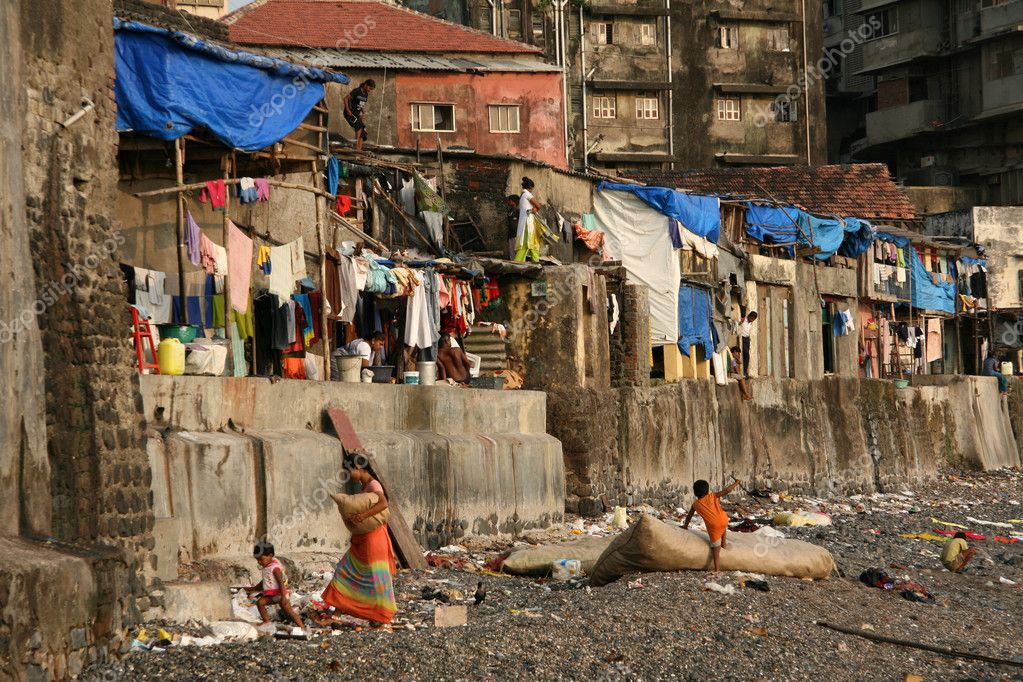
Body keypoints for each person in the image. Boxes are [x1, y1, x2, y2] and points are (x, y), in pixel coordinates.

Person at [319, 458, 397, 625]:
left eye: (349, 471)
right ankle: (337, 614)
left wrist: (363, 516)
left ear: (359, 467)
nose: (349, 475)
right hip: (363, 542)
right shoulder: (365, 486)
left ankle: (381, 616)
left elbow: (384, 503)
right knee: (346, 572)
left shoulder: (374, 485)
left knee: (375, 579)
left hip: (373, 541)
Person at [683, 478, 741, 573]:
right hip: (724, 519)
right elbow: (727, 490)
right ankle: (724, 543)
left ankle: (717, 570)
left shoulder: (695, 504)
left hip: (714, 526)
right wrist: (736, 483)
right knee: (722, 527)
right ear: (707, 490)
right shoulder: (712, 496)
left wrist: (685, 526)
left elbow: (689, 516)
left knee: (715, 549)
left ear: (695, 492)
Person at [246, 542, 305, 630]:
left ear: (270, 555)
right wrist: (254, 588)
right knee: (261, 603)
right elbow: (265, 581)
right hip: (272, 595)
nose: (259, 562)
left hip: (278, 595)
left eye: (261, 559)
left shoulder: (275, 568)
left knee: (289, 611)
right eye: (257, 560)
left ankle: (302, 627)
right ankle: (267, 622)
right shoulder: (267, 567)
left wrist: (284, 596)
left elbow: (280, 582)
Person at [514, 177, 542, 263]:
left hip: (524, 222)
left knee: (528, 243)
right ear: (531, 188)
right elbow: (538, 205)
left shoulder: (522, 195)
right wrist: (536, 209)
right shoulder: (527, 194)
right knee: (529, 243)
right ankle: (531, 261)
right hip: (528, 223)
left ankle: (533, 261)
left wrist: (534, 209)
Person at [343, 79, 375, 151]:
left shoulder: (366, 94)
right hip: (350, 113)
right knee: (359, 125)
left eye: (371, 89)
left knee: (363, 132)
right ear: (365, 85)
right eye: (370, 88)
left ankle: (358, 150)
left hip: (357, 114)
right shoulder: (357, 91)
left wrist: (363, 111)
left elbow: (360, 104)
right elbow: (345, 99)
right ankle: (355, 146)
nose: (370, 90)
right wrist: (348, 110)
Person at [740, 311, 757, 377]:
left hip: (747, 339)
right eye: (752, 319)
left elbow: (747, 330)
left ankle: (745, 372)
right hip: (742, 338)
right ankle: (744, 372)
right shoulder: (744, 319)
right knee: (746, 354)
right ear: (750, 316)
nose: (752, 320)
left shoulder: (750, 323)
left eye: (753, 320)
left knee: (747, 356)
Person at [505, 194, 520, 260]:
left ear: (514, 202)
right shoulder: (509, 211)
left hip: (517, 235)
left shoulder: (518, 211)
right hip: (510, 234)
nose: (508, 202)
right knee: (511, 252)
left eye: (509, 201)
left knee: (517, 252)